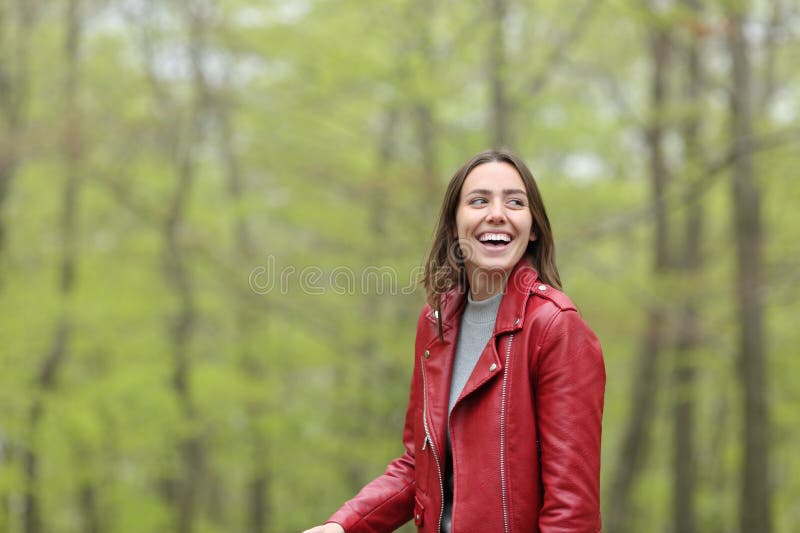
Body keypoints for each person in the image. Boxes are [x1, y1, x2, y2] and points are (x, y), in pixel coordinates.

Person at [303, 149, 605, 533]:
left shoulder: (555, 327)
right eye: (479, 200)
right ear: (454, 226)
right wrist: (342, 526)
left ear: (533, 229)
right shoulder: (435, 324)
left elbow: (572, 513)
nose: (497, 213)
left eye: (515, 201)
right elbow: (418, 467)